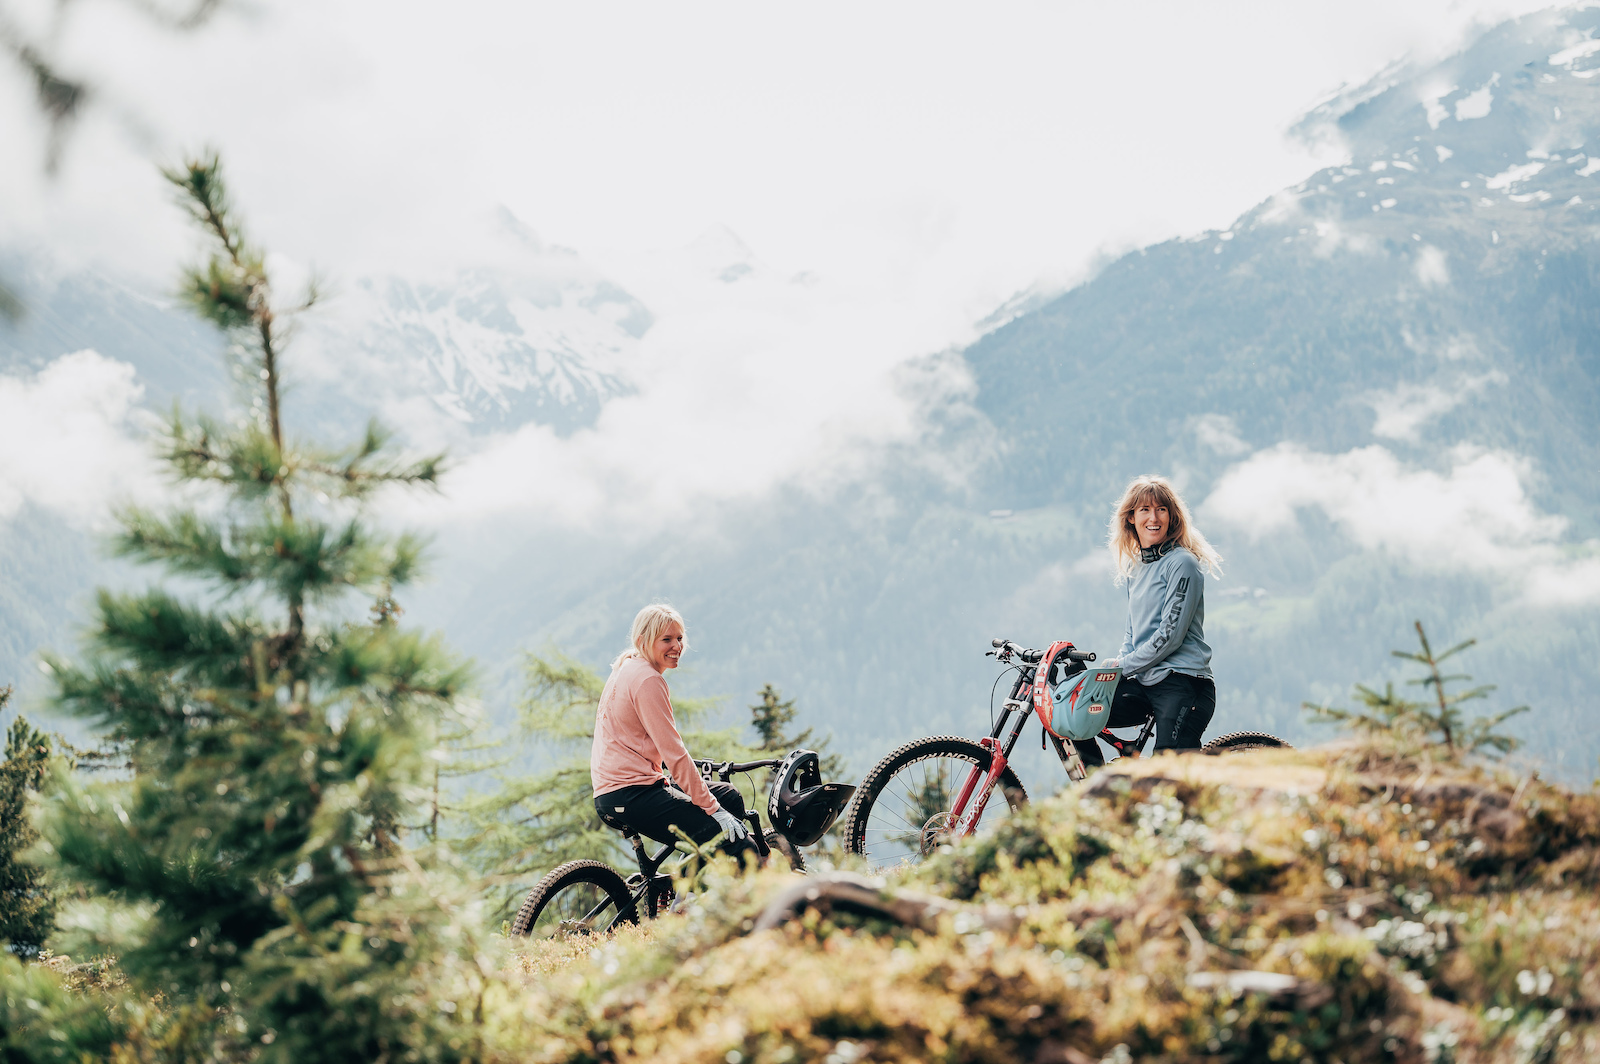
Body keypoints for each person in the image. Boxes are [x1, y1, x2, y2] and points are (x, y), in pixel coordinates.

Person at [1073, 474, 1224, 768]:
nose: (1153, 518)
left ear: (1171, 516)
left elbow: (1169, 636)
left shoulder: (1182, 563)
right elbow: (1132, 635)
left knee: (1168, 775)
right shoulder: (1136, 568)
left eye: (1161, 510)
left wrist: (1123, 666)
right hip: (1144, 681)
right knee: (1079, 713)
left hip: (1184, 682)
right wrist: (1116, 669)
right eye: (1145, 510)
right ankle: (1099, 787)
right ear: (1131, 517)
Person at [590, 603, 759, 865]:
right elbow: (675, 755)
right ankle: (699, 887)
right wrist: (713, 809)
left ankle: (696, 871)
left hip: (622, 789)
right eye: (666, 639)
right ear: (642, 641)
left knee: (729, 797)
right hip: (633, 793)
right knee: (743, 848)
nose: (677, 646)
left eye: (679, 638)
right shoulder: (648, 680)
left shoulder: (627, 664)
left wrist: (714, 804)